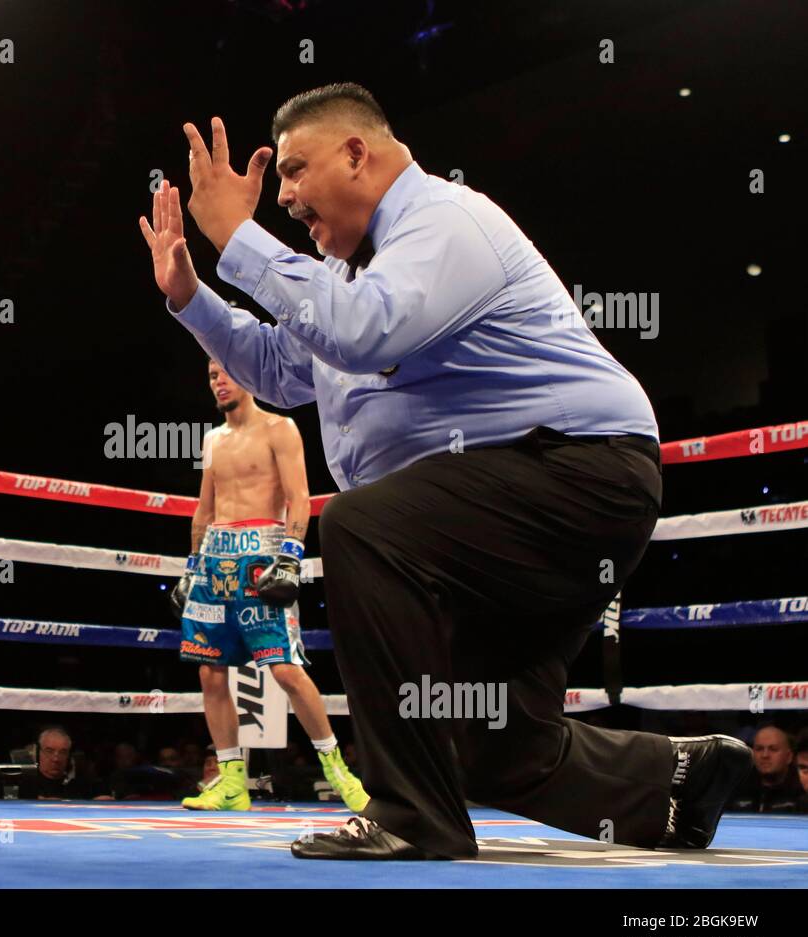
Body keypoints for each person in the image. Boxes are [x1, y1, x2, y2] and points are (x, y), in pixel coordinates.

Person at [139, 82, 751, 860]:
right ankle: (674, 780)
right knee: (486, 736)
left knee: (358, 525)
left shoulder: (445, 221)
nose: (284, 195)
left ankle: (410, 816)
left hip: (577, 473)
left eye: (294, 169)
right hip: (501, 515)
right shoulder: (352, 277)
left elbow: (363, 334)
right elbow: (283, 367)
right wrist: (193, 297)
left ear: (357, 152)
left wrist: (239, 239)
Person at [169, 359, 367, 813]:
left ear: (246, 373)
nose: (218, 382)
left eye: (225, 372)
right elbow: (204, 508)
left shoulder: (281, 428)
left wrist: (292, 556)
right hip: (215, 559)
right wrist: (191, 566)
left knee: (285, 669)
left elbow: (299, 497)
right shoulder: (213, 440)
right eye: (211, 376)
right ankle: (232, 781)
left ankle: (339, 771)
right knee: (209, 670)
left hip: (262, 555)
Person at [727, 725, 804, 813]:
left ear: (789, 757)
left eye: (773, 749)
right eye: (759, 749)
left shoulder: (801, 791)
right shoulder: (737, 789)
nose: (765, 755)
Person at [22, 727, 106, 800]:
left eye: (63, 752)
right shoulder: (25, 785)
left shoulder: (81, 786)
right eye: (49, 751)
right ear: (37, 753)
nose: (56, 759)